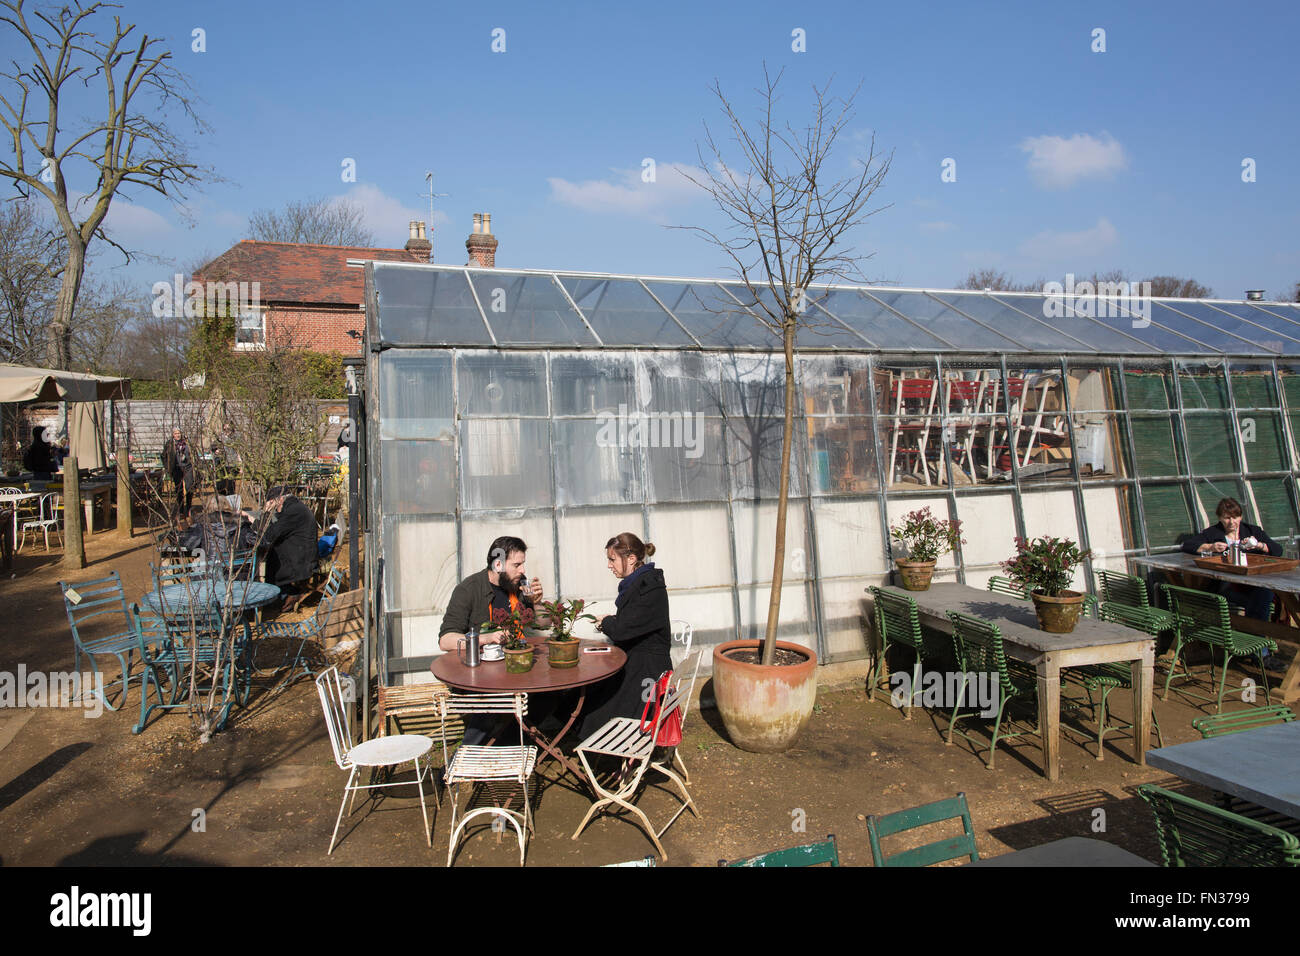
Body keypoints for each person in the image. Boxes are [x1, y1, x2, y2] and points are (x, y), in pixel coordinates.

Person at [439, 536, 546, 745]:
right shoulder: (468, 589)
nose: (523, 570)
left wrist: (537, 603)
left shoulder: (518, 586)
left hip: (517, 668)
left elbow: (542, 623)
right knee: (494, 701)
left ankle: (508, 743)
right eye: (517, 564)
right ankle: (465, 760)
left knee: (551, 693)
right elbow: (446, 640)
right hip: (480, 677)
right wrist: (486, 638)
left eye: (523, 563)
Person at [578, 532, 672, 738]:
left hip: (647, 671)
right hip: (638, 662)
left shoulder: (648, 587)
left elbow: (622, 630)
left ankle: (604, 745)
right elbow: (633, 622)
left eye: (612, 559)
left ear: (631, 559)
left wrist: (608, 622)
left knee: (598, 707)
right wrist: (611, 621)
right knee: (589, 693)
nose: (609, 566)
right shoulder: (641, 583)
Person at [1181, 497, 1280, 622]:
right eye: (1227, 518)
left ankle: (1252, 634)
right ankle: (1255, 635)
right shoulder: (1213, 533)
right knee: (1261, 600)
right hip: (1226, 584)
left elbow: (1277, 550)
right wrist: (1210, 546)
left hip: (1252, 583)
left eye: (1235, 517)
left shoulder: (1253, 531)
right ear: (1220, 518)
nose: (1232, 522)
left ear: (1241, 517)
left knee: (1264, 592)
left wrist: (1259, 545)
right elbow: (1188, 545)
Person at [254, 485, 318, 592]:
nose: (275, 510)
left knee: (270, 557)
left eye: (272, 504)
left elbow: (270, 535)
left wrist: (265, 513)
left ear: (280, 500)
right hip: (301, 555)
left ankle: (281, 594)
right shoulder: (293, 507)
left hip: (300, 563)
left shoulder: (292, 512)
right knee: (269, 553)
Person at [162, 427, 197, 520]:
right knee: (179, 489)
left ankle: (189, 507)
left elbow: (194, 454)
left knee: (189, 487)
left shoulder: (187, 443)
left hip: (188, 467)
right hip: (176, 468)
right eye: (175, 433)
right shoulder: (169, 444)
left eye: (179, 433)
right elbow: (163, 456)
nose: (177, 435)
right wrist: (168, 467)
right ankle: (181, 510)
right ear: (173, 434)